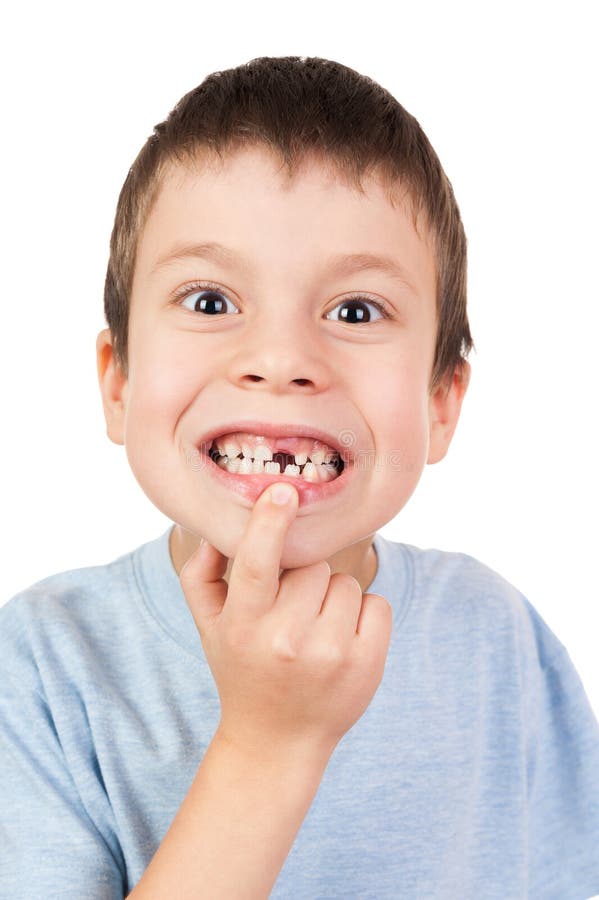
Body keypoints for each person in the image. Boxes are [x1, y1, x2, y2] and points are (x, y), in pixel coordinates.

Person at [1, 55, 598, 900]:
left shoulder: (498, 640)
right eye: (209, 301)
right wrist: (268, 745)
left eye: (355, 311)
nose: (281, 362)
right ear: (118, 382)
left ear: (439, 402)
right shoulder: (40, 668)